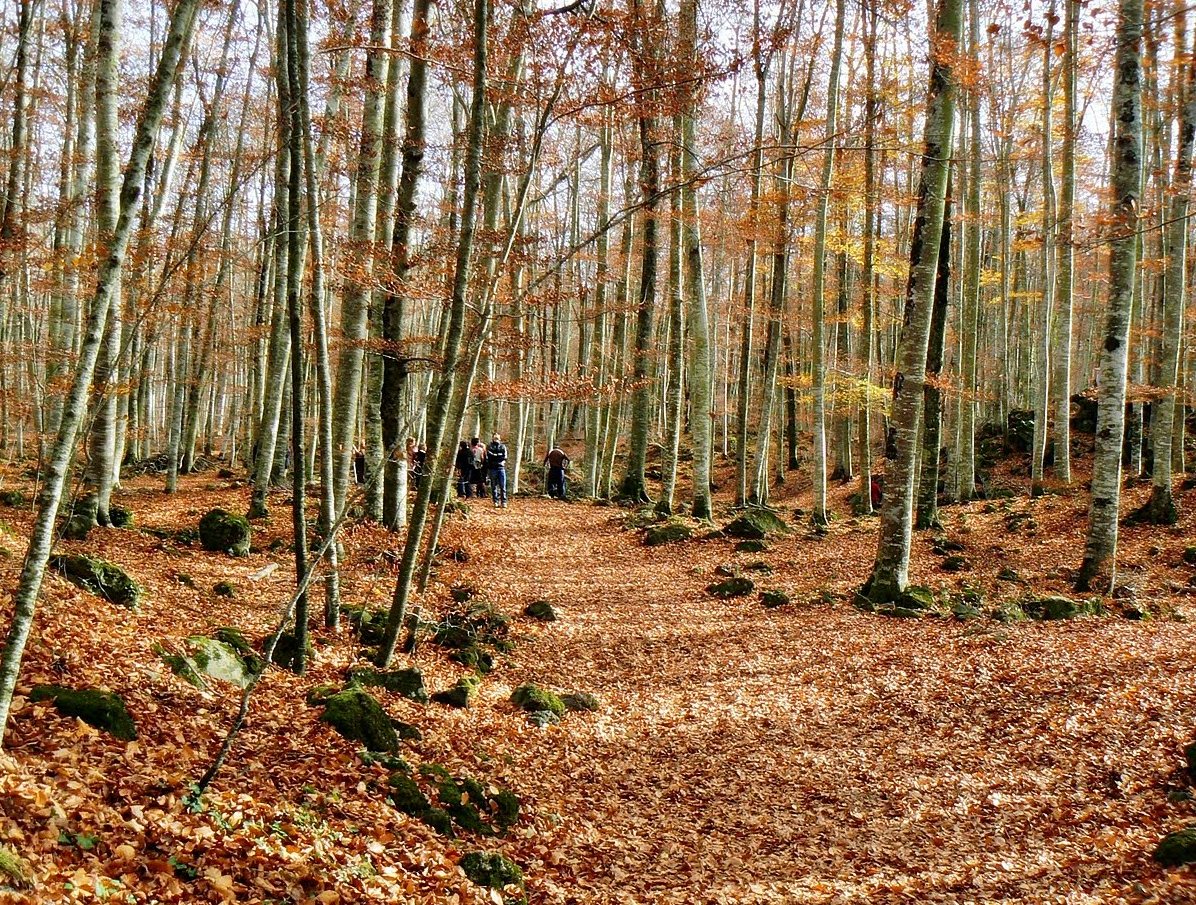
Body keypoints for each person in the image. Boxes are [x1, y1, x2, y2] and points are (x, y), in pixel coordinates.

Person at [485, 433, 508, 507]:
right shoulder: (490, 446)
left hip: (501, 468)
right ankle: (495, 501)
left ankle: (504, 501)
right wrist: (497, 456)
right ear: (493, 439)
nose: (496, 440)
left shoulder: (503, 447)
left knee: (502, 486)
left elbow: (504, 457)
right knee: (494, 486)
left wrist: (496, 456)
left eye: (497, 438)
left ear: (499, 439)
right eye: (495, 438)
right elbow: (489, 456)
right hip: (492, 468)